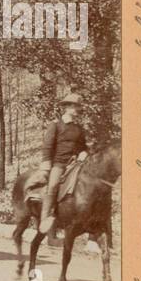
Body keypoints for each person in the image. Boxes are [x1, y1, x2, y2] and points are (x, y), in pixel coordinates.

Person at [38, 93, 89, 233]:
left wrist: (84, 152)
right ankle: (44, 219)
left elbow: (83, 146)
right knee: (53, 186)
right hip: (59, 163)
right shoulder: (55, 125)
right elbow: (47, 146)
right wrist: (46, 166)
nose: (77, 109)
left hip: (76, 164)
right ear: (66, 107)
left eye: (78, 107)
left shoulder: (79, 128)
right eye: (74, 106)